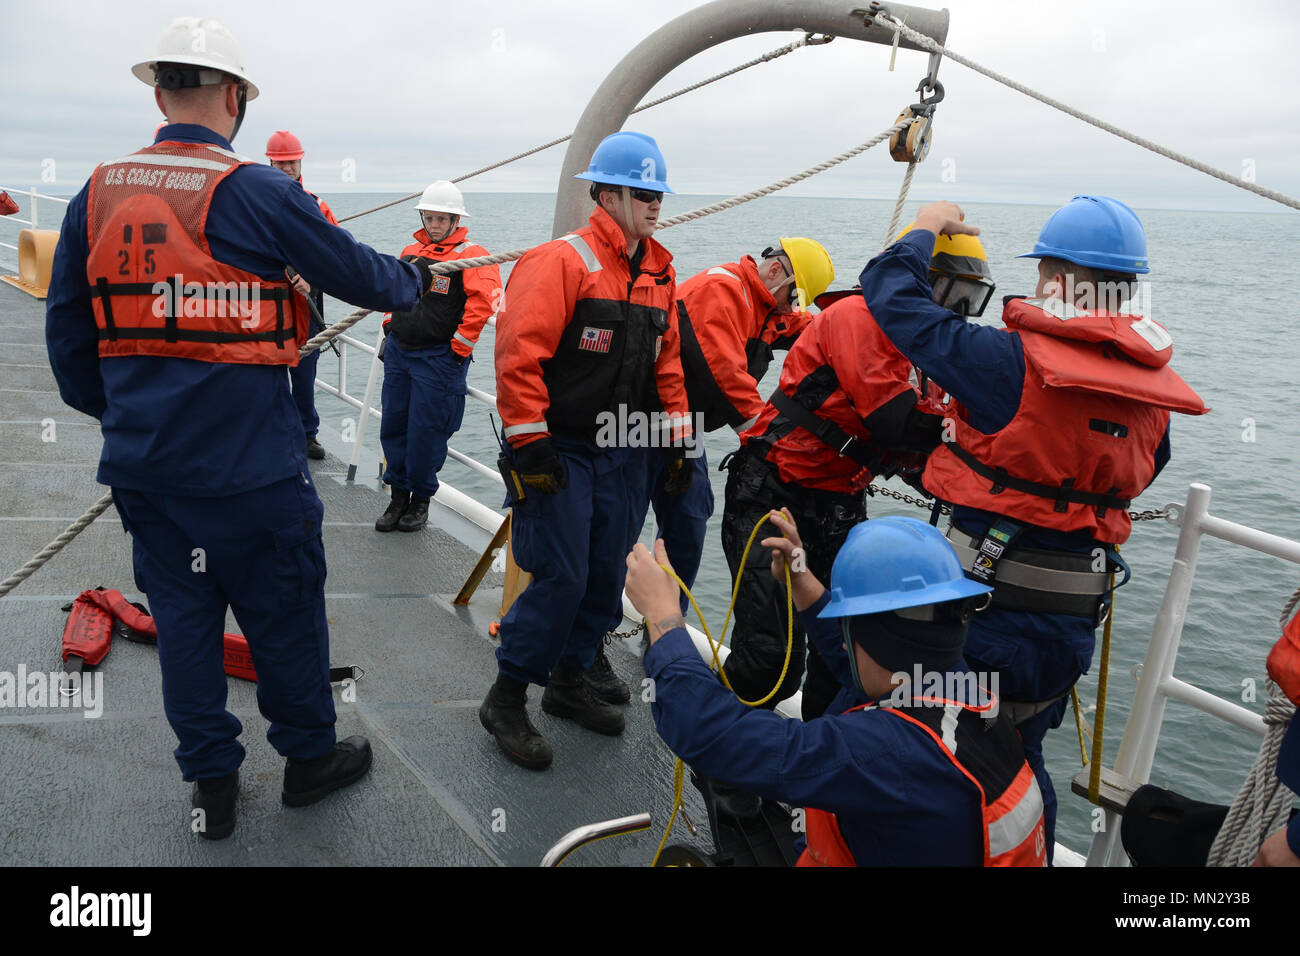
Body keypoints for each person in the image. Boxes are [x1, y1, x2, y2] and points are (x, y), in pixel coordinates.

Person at [44, 17, 439, 840]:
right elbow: (360, 276)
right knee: (287, 615)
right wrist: (418, 279)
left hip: (147, 474)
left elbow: (69, 339)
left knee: (185, 624)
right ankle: (307, 762)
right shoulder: (261, 191)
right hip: (253, 474)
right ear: (234, 99)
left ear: (158, 94)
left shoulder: (95, 193)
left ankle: (212, 786)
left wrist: (125, 419)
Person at [860, 196, 1208, 859]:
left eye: (1046, 268)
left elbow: (889, 292)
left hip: (978, 617)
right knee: (1020, 754)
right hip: (1070, 627)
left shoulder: (1004, 362)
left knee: (926, 742)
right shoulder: (1153, 398)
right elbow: (1136, 474)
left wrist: (928, 223)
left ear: (1058, 278)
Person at [625, 511, 1047, 866]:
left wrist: (664, 618)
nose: (842, 642)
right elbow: (873, 658)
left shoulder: (883, 753)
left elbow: (711, 732)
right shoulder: (964, 693)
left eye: (849, 629)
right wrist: (800, 578)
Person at [481, 131, 692, 770]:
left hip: (625, 449)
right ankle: (508, 696)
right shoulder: (560, 262)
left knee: (605, 573)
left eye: (659, 192)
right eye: (645, 192)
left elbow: (669, 366)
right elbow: (519, 355)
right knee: (563, 575)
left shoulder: (660, 269)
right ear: (609, 193)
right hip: (563, 449)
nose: (656, 204)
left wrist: (677, 443)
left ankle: (569, 683)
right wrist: (529, 443)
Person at [718, 232, 991, 721]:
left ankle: (814, 778)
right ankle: (720, 769)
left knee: (843, 658)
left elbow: (918, 449)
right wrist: (968, 441)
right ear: (921, 282)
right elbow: (895, 421)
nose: (960, 313)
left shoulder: (923, 355)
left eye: (973, 300)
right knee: (771, 660)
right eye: (955, 294)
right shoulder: (856, 317)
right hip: (774, 496)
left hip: (839, 507)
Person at [590, 238, 833, 708]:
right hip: (641, 423)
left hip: (684, 429)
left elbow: (801, 326)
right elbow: (726, 376)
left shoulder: (764, 305)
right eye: (796, 294)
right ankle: (589, 644)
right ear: (777, 273)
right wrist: (770, 443)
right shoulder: (721, 292)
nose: (793, 306)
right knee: (617, 530)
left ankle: (665, 634)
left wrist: (847, 320)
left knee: (688, 524)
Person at [374, 181, 502, 533]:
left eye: (440, 218)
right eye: (428, 217)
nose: (433, 224)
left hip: (437, 360)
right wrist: (389, 325)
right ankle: (397, 496)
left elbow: (485, 302)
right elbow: (393, 293)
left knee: (426, 431)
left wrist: (458, 349)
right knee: (394, 425)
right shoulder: (410, 251)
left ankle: (420, 501)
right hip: (401, 354)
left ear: (455, 219)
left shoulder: (473, 255)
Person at [265, 130, 339, 461]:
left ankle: (307, 434)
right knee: (267, 373)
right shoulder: (255, 205)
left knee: (305, 374)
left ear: (300, 162)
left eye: (290, 162)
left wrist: (312, 280)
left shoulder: (317, 206)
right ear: (270, 162)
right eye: (279, 164)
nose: (285, 169)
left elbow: (335, 255)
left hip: (307, 308)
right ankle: (272, 432)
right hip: (267, 306)